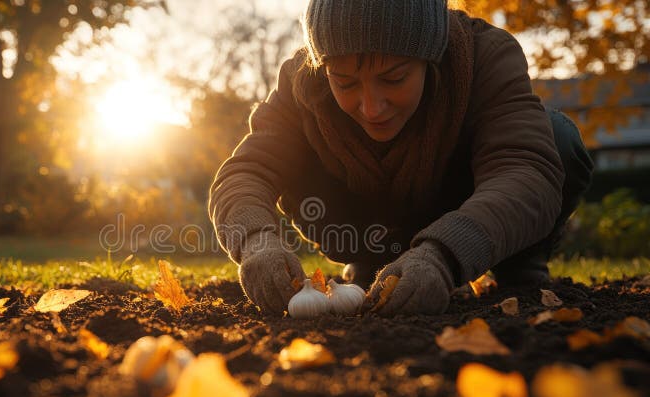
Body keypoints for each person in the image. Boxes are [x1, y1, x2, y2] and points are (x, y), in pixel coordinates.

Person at [207, 0, 594, 316]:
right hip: (364, 224)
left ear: (431, 56)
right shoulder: (301, 80)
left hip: (461, 208)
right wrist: (255, 240)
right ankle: (369, 262)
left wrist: (444, 254)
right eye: (345, 83)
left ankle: (519, 263)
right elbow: (247, 171)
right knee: (289, 148)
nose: (372, 107)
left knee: (556, 137)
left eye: (393, 79)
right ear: (323, 67)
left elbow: (525, 170)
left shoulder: (485, 57)